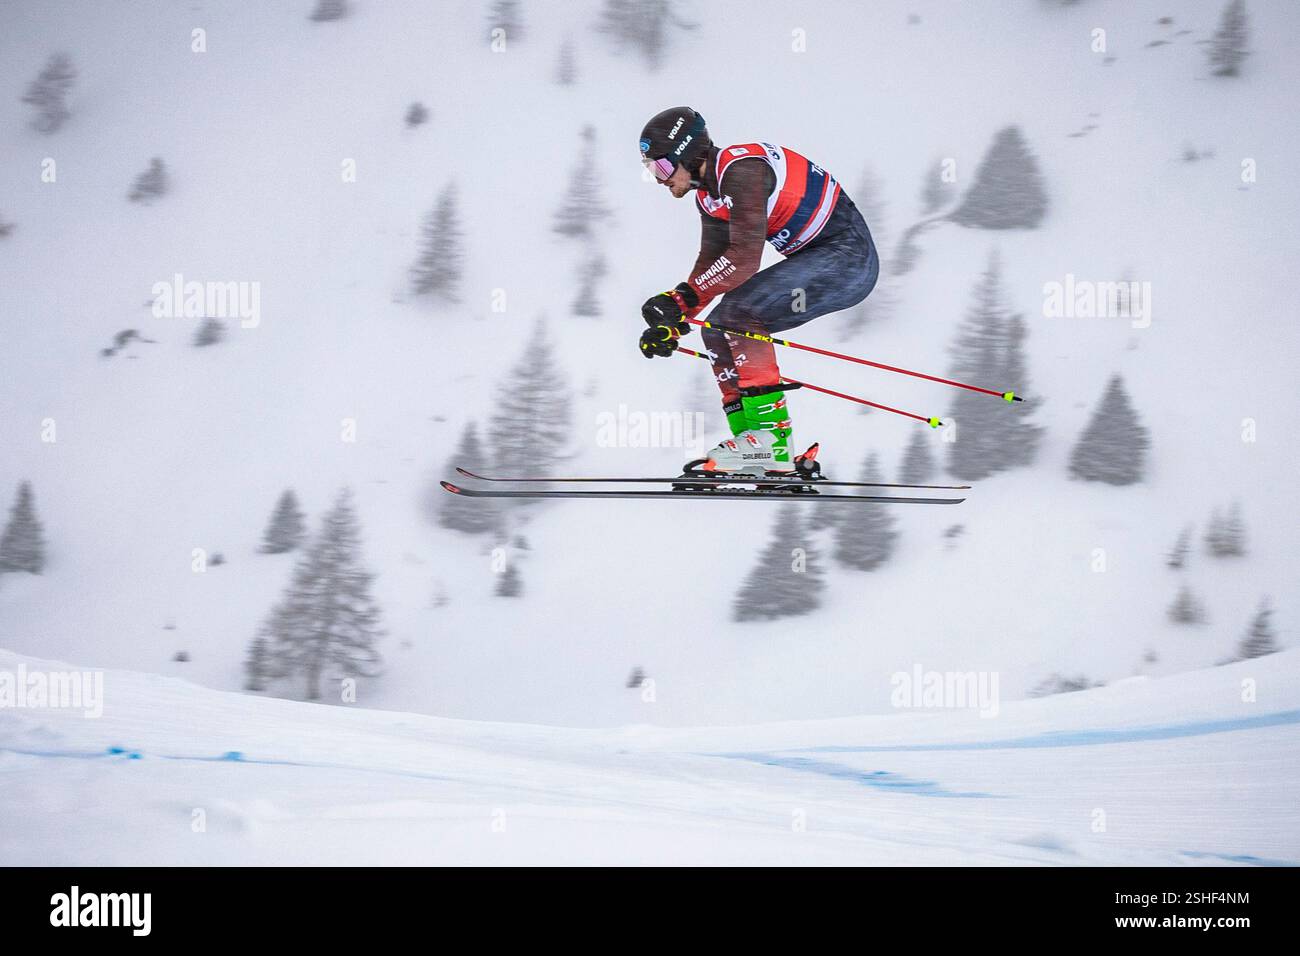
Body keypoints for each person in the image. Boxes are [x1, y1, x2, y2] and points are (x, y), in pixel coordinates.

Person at [637, 107, 879, 474]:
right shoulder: (710, 196)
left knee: (737, 313)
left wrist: (683, 299)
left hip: (849, 257)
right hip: (824, 258)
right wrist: (675, 316)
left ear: (688, 153)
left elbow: (743, 260)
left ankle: (772, 443)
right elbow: (712, 264)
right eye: (651, 170)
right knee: (717, 328)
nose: (658, 180)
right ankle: (754, 445)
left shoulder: (742, 172)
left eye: (663, 168)